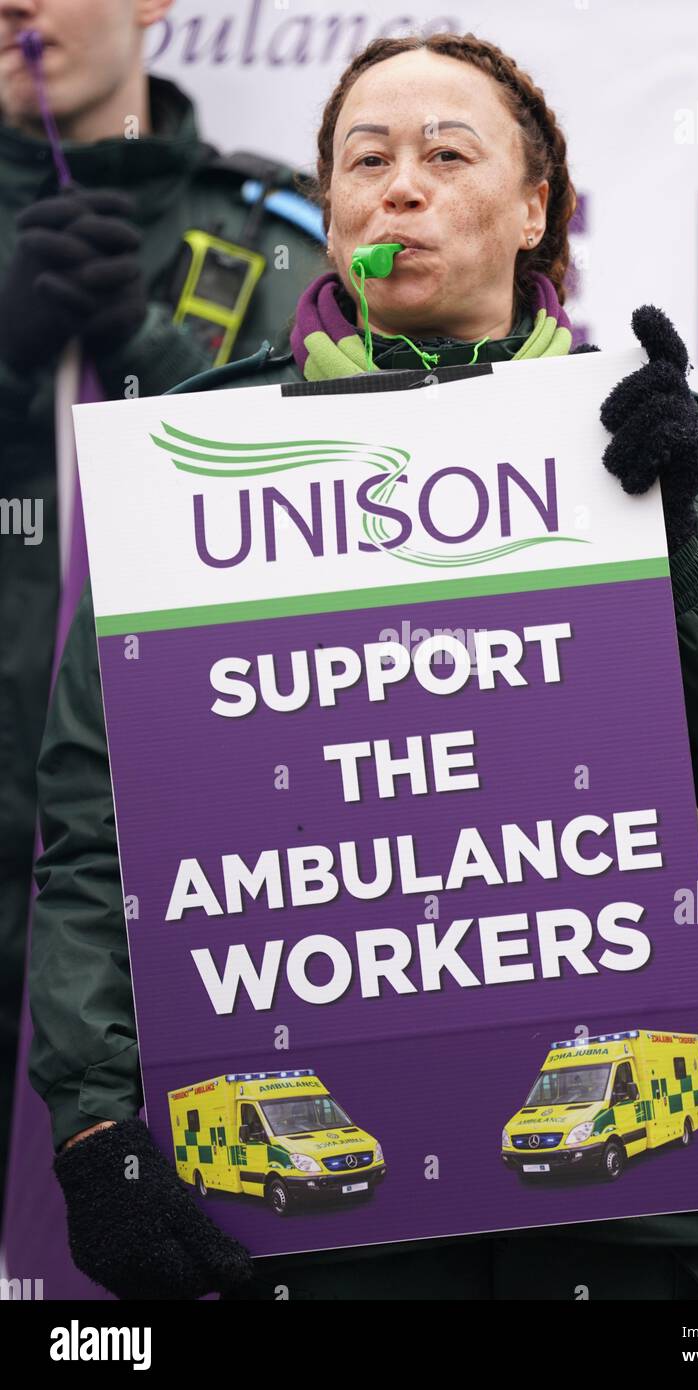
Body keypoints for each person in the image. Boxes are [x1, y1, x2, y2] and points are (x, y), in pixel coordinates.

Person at [29, 31, 698, 1301]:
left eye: (445, 154)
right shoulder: (190, 477)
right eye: (365, 159)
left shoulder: (652, 444)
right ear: (332, 205)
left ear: (537, 210)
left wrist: (679, 540)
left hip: (621, 1205)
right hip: (307, 1220)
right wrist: (94, 1130)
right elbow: (96, 833)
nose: (397, 187)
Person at [0, 0, 327, 1218]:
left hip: (184, 883)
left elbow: (325, 518)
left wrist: (145, 355)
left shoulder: (281, 237)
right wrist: (11, 360)